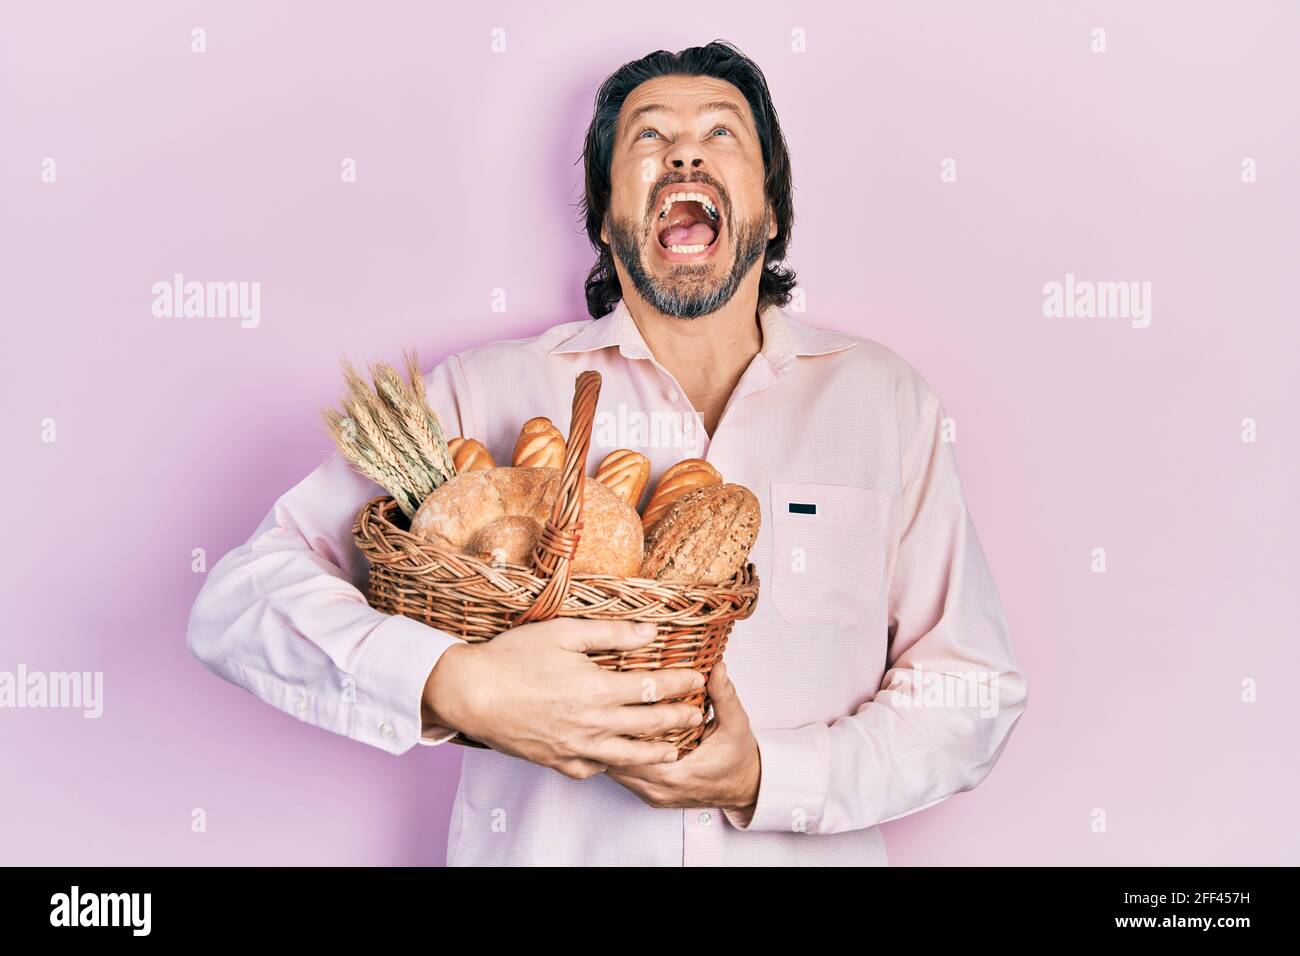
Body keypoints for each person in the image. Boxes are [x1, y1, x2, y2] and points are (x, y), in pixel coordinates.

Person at [187, 40, 1027, 866]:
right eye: (650, 138)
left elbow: (972, 693)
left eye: (723, 133)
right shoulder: (480, 400)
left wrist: (767, 777)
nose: (686, 152)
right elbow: (242, 598)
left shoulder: (882, 403)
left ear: (770, 209)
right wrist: (453, 684)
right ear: (604, 213)